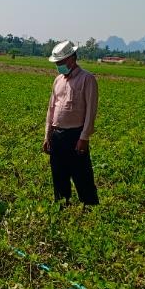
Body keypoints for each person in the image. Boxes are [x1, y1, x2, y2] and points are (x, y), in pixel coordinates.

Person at [42, 40, 99, 205]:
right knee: (59, 176)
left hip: (75, 136)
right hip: (57, 136)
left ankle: (91, 209)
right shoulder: (58, 80)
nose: (58, 66)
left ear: (72, 59)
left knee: (83, 177)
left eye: (60, 62)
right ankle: (62, 208)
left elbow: (91, 111)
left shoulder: (87, 79)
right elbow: (51, 109)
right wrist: (47, 135)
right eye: (57, 63)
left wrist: (84, 137)